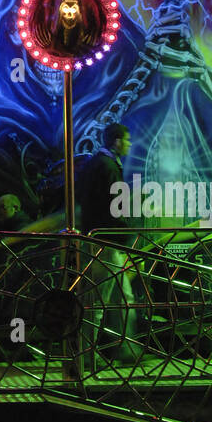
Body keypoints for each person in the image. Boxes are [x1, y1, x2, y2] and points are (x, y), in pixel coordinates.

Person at [78, 122, 139, 366]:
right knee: (103, 301)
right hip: (106, 243)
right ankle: (90, 356)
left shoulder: (94, 164)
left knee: (117, 298)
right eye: (127, 140)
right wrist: (126, 236)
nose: (129, 144)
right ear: (116, 142)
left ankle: (122, 349)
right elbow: (114, 208)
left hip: (98, 240)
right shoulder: (108, 167)